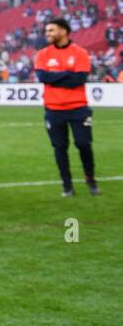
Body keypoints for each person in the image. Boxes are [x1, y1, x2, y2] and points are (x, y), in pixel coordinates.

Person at [35, 18, 98, 196]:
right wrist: (67, 74)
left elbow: (79, 79)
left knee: (83, 144)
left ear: (63, 31)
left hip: (78, 108)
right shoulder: (43, 54)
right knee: (60, 148)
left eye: (51, 30)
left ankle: (90, 180)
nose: (47, 34)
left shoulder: (80, 53)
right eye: (46, 31)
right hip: (53, 109)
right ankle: (67, 185)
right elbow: (42, 77)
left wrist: (54, 76)